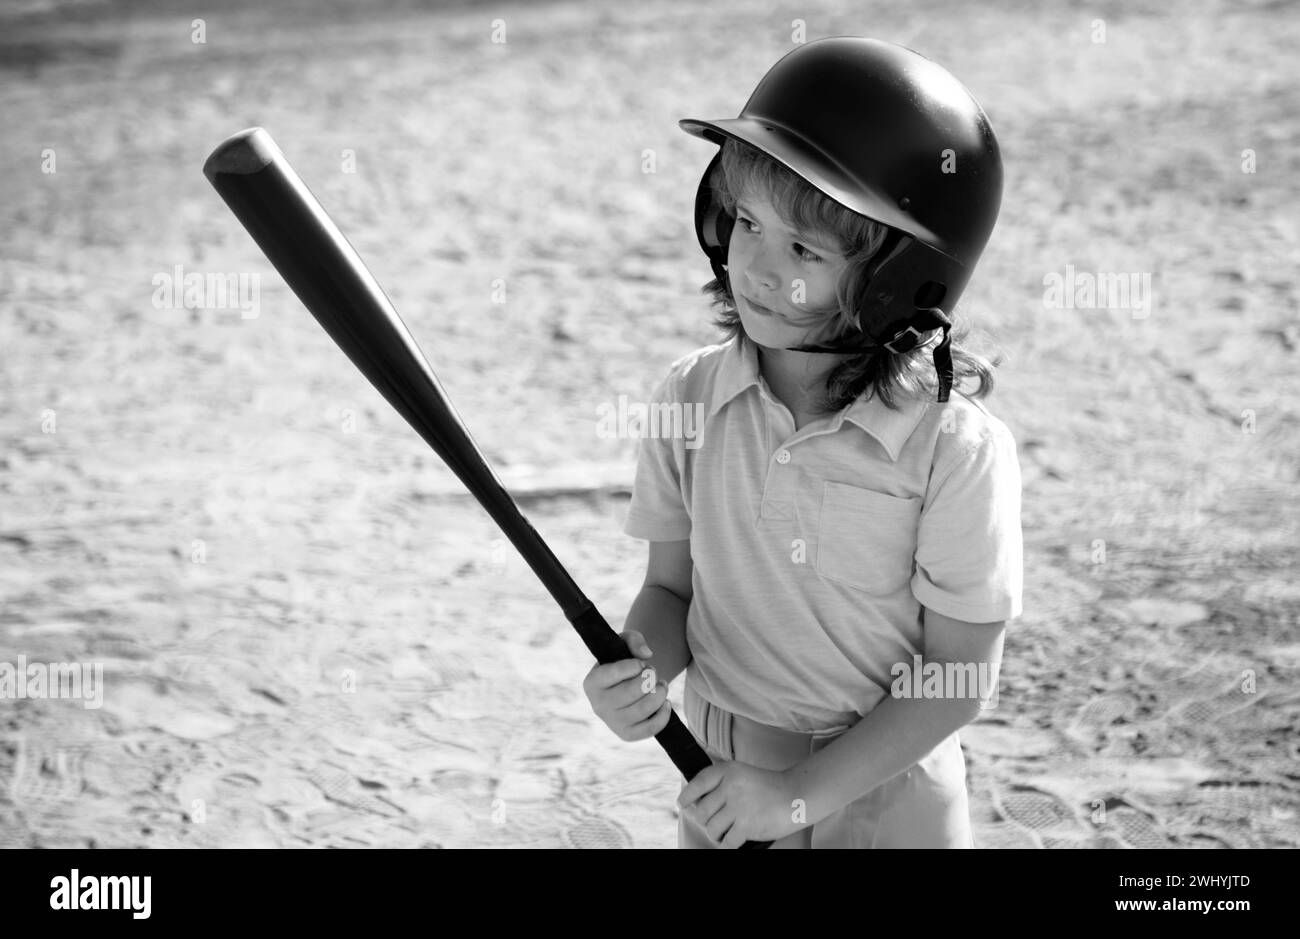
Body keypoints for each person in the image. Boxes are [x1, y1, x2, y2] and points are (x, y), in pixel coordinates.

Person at [583, 37, 1022, 848]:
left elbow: (960, 679)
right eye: (746, 221)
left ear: (900, 278)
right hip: (722, 777)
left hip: (884, 795)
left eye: (805, 251)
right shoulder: (691, 398)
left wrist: (796, 794)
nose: (755, 267)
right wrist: (645, 665)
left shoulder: (951, 446)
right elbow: (671, 592)